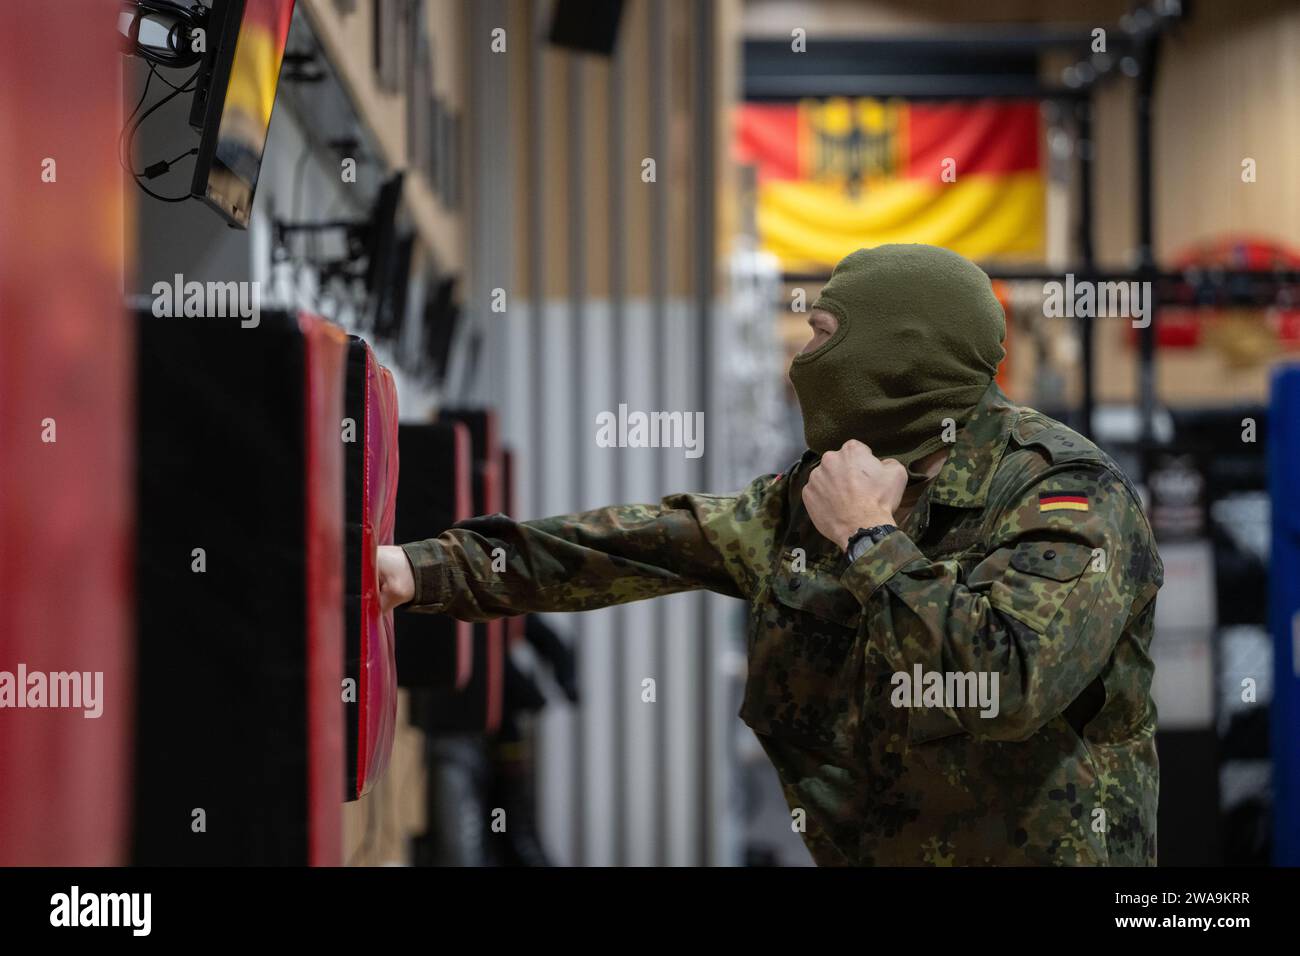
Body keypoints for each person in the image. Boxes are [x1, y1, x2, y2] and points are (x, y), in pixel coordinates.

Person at [377, 243, 1163, 866]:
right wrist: (425, 571)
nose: (802, 363)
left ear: (900, 353)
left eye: (825, 337)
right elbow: (645, 542)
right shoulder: (823, 488)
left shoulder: (1064, 495)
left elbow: (1006, 683)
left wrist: (869, 541)